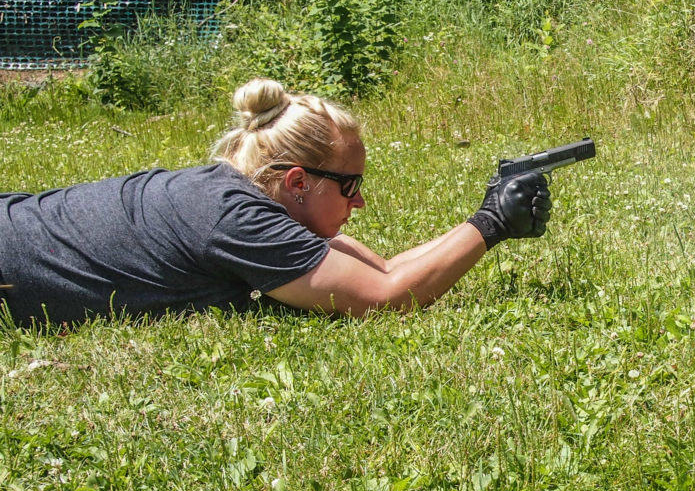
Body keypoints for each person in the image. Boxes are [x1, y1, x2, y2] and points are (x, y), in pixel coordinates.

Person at [0, 78, 551, 327]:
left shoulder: (229, 197)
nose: (358, 205)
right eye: (349, 186)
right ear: (296, 182)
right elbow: (385, 297)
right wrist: (493, 224)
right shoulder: (236, 220)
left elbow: (383, 268)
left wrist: (482, 217)